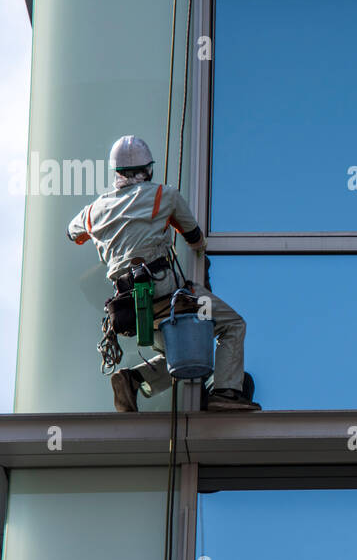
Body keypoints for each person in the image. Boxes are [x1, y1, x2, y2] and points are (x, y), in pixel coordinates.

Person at [68, 135, 259, 412]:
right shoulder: (163, 195)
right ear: (148, 169)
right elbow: (195, 238)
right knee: (232, 325)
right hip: (165, 291)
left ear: (116, 173)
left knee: (180, 354)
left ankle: (133, 379)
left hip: (128, 304)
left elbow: (72, 232)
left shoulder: (94, 210)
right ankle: (226, 393)